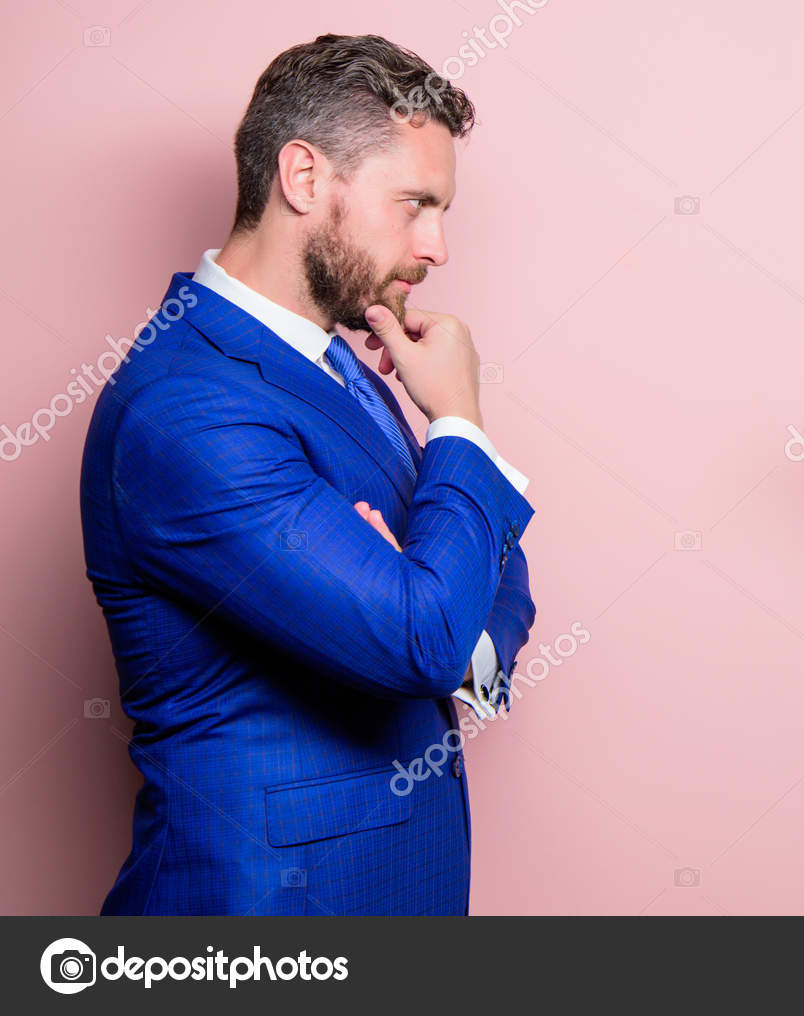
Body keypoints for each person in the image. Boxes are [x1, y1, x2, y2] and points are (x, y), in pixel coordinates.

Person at [80, 34, 534, 915]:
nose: (438, 247)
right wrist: (458, 422)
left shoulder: (336, 365)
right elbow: (425, 631)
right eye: (416, 204)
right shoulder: (187, 405)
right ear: (304, 177)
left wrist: (435, 602)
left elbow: (491, 570)